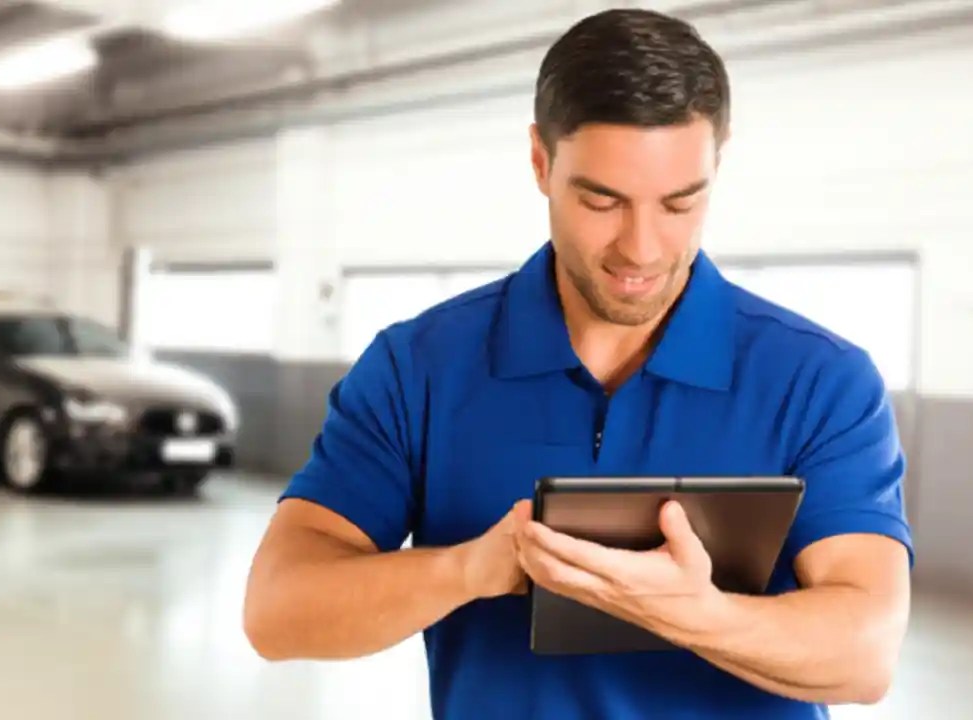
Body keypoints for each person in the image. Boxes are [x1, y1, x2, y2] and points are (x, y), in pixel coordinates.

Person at [244, 7, 912, 719]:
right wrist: (473, 567)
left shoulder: (821, 382)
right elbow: (278, 611)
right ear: (541, 162)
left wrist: (693, 613)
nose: (643, 248)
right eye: (603, 200)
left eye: (681, 203)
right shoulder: (419, 368)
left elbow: (866, 654)